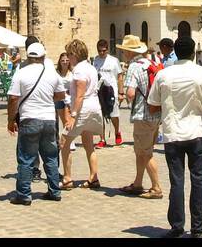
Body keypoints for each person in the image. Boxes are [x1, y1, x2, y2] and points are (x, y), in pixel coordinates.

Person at [148, 35, 202, 238]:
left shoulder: (163, 75)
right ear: (193, 53)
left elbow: (152, 106)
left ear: (174, 52)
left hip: (173, 135)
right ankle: (198, 229)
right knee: (198, 181)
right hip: (198, 134)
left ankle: (177, 226)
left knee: (176, 182)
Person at [7, 42, 70, 205]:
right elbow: (61, 94)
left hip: (29, 118)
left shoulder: (21, 73)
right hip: (49, 119)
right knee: (50, 157)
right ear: (43, 56)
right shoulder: (52, 74)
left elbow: (13, 98)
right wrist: (47, 98)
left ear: (28, 57)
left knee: (26, 158)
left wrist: (11, 120)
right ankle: (55, 191)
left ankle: (24, 194)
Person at [116, 34, 163, 199]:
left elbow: (130, 92)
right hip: (156, 113)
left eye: (124, 51)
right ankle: (137, 183)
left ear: (129, 52)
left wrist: (127, 98)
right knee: (141, 151)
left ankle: (156, 187)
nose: (123, 54)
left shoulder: (134, 67)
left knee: (145, 152)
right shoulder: (151, 62)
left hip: (142, 114)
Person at [59, 39, 103, 190]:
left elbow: (79, 95)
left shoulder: (78, 70)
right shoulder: (91, 67)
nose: (68, 58)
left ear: (74, 55)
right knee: (88, 143)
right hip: (94, 107)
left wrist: (72, 115)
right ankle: (93, 177)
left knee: (64, 142)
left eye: (69, 54)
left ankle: (67, 178)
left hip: (82, 109)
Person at [92, 39, 123, 148]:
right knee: (100, 115)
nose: (101, 53)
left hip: (112, 92)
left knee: (114, 115)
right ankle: (102, 139)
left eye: (104, 51)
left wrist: (120, 92)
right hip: (99, 92)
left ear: (107, 49)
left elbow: (119, 77)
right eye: (99, 51)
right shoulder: (95, 61)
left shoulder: (114, 60)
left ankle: (117, 132)